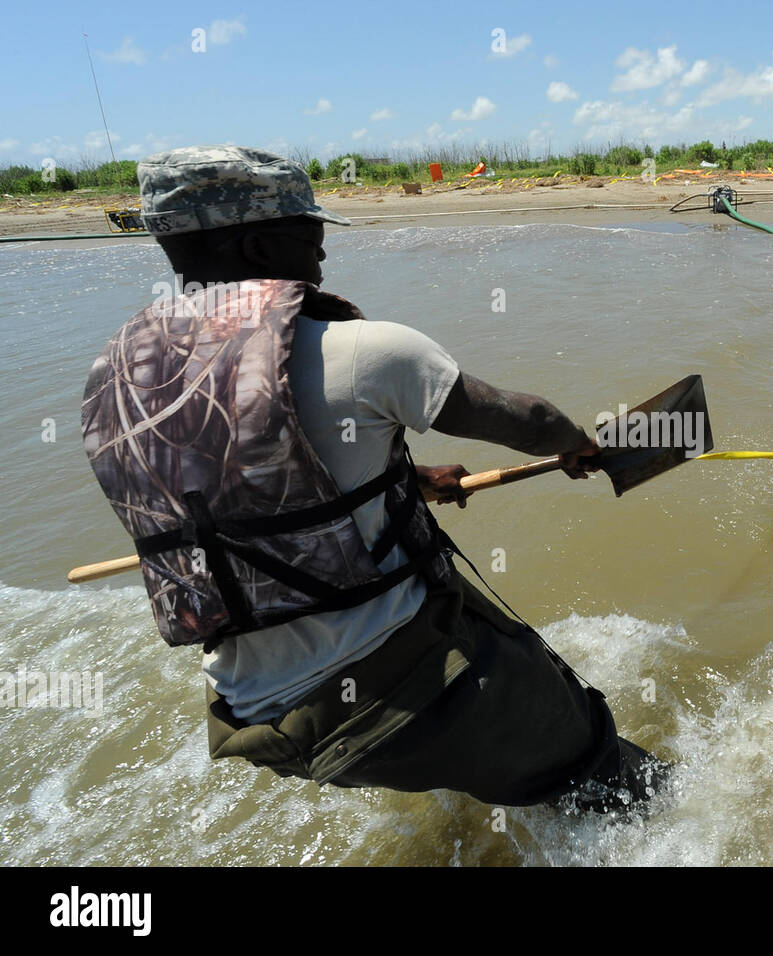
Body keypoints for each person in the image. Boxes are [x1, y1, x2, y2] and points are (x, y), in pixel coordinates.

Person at [80, 145, 669, 814]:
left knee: (468, 758)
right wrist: (575, 448)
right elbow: (526, 418)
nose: (323, 255)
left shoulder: (117, 382)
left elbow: (260, 489)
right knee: (605, 770)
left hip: (264, 722)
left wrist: (408, 479)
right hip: (400, 678)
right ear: (255, 245)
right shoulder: (367, 352)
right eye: (311, 234)